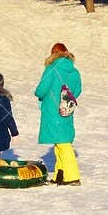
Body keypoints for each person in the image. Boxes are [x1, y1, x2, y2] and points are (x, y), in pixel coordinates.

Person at [35, 42, 83, 185]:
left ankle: (73, 176)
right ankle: (60, 175)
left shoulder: (51, 69)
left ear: (53, 54)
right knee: (60, 142)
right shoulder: (74, 71)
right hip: (66, 108)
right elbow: (78, 91)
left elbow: (41, 90)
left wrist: (39, 94)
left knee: (63, 143)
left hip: (53, 109)